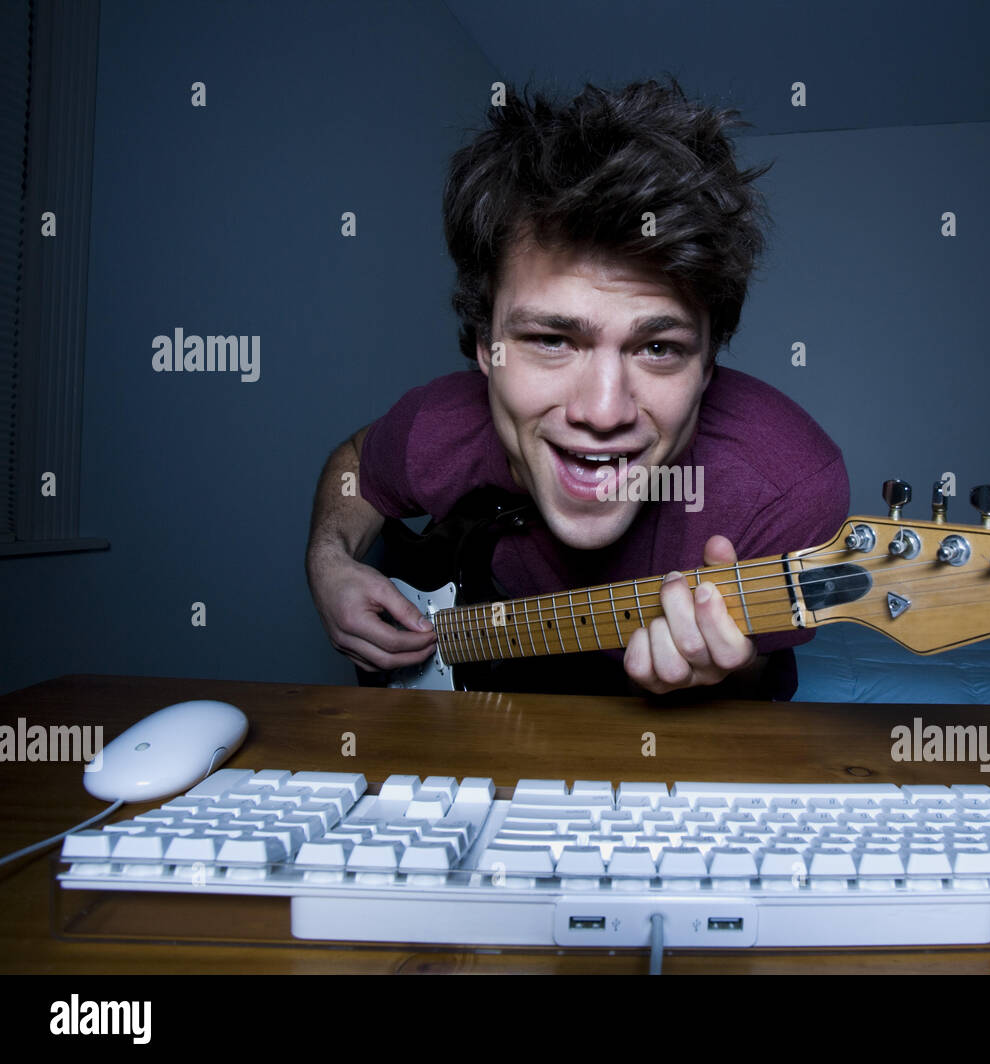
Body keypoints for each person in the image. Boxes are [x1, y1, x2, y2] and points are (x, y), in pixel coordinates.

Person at [305, 79, 849, 699]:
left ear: (710, 363)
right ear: (486, 346)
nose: (602, 411)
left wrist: (728, 670)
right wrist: (330, 562)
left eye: (658, 347)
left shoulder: (789, 487)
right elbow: (357, 465)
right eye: (552, 340)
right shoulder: (441, 423)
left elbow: (758, 685)